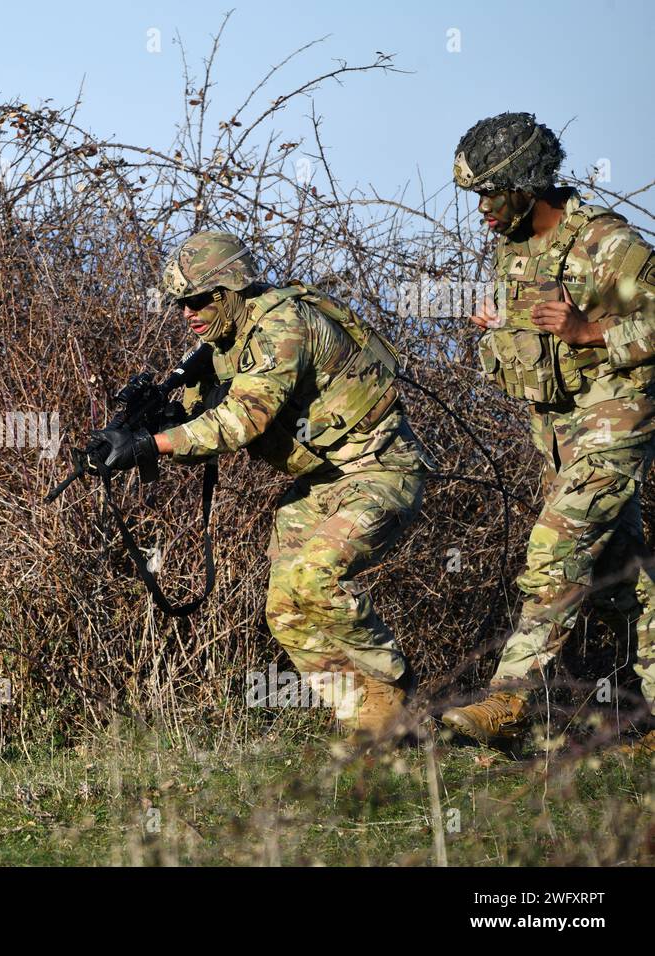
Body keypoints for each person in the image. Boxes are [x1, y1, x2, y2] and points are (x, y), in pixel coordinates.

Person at [95, 230, 430, 744]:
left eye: (198, 300)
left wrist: (150, 445)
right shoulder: (225, 344)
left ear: (230, 289)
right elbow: (205, 419)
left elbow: (242, 421)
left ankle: (397, 694)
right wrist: (139, 429)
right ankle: (374, 726)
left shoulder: (282, 325)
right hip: (321, 482)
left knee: (317, 578)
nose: (188, 313)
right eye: (181, 304)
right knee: (286, 608)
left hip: (380, 471)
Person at [440, 112, 655, 757]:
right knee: (625, 579)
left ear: (527, 187)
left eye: (489, 194)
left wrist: (593, 332)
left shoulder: (610, 245)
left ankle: (512, 696)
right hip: (560, 436)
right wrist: (498, 334)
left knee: (553, 546)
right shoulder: (513, 245)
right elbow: (538, 349)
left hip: (618, 418)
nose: (480, 210)